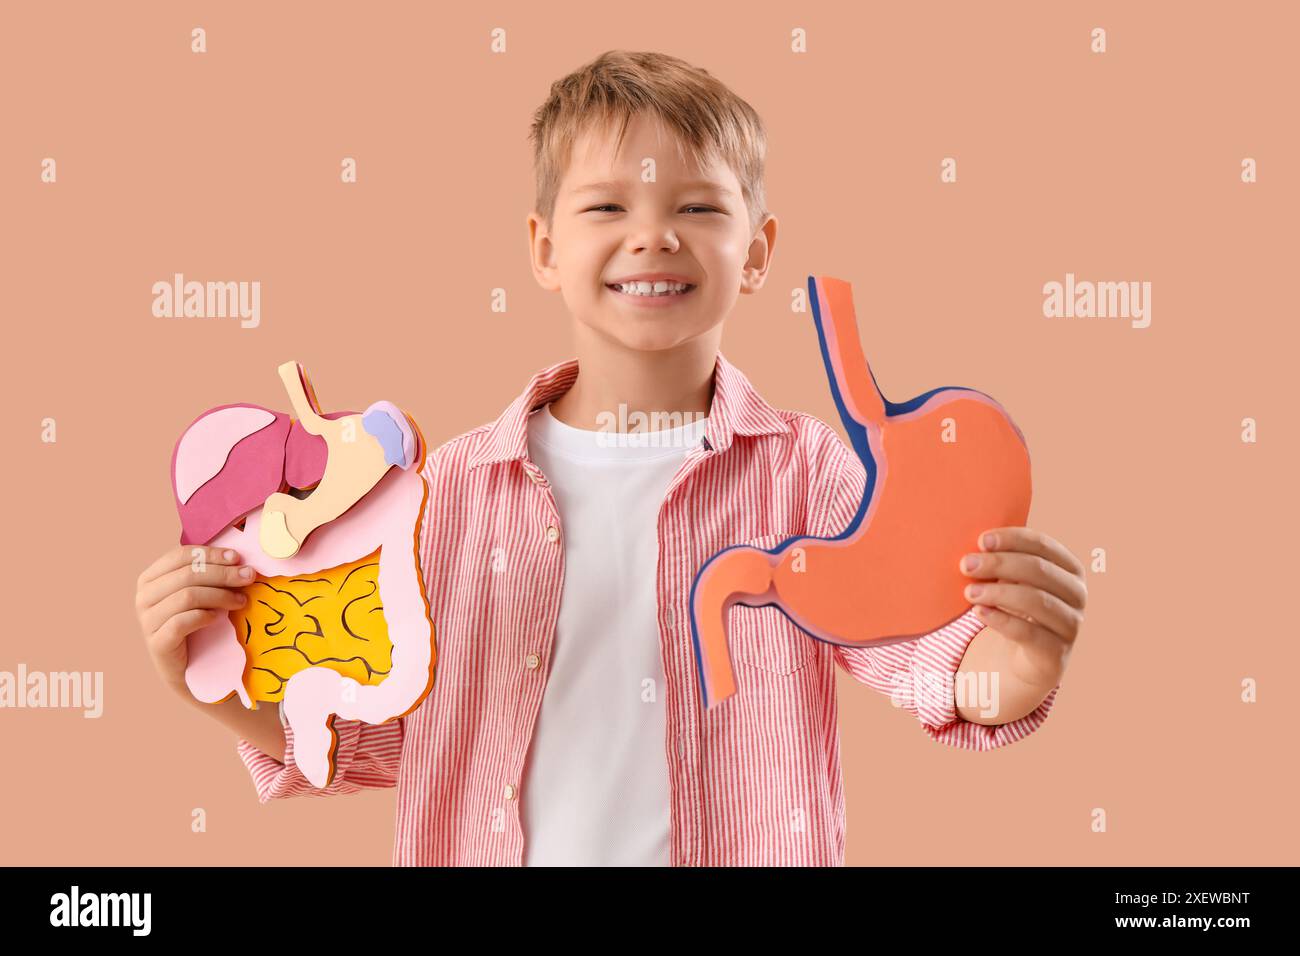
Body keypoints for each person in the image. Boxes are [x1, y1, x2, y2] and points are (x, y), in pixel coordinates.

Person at [133, 50, 1087, 866]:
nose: (653, 234)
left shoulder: (806, 473)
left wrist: (1017, 660)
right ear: (545, 248)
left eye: (699, 206)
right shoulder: (444, 497)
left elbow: (925, 656)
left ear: (756, 253)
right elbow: (373, 739)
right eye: (606, 205)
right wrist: (207, 681)